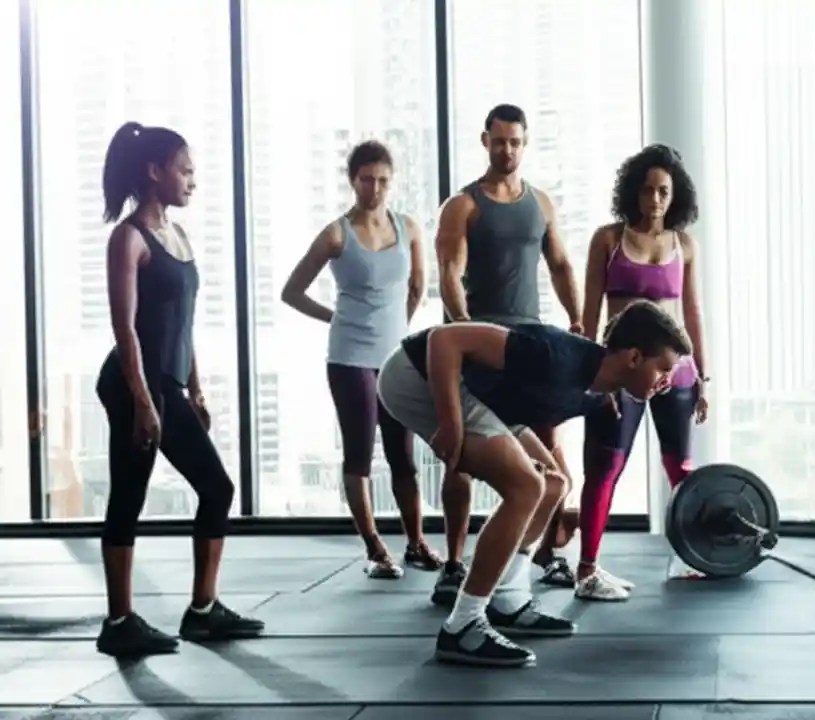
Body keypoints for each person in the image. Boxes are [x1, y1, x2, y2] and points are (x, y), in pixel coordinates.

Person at [376, 300, 691, 667]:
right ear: (635, 357)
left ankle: (507, 599)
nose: (666, 382)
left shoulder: (600, 392)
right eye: (664, 369)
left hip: (483, 399)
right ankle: (462, 625)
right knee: (526, 487)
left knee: (555, 483)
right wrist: (450, 421)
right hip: (417, 372)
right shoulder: (556, 356)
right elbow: (445, 340)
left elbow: (540, 412)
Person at [94, 122, 265, 657]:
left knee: (217, 489)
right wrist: (144, 402)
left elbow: (182, 323)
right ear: (154, 172)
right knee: (129, 495)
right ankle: (119, 621)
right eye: (185, 170)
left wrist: (196, 388)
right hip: (131, 382)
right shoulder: (129, 238)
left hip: (168, 383)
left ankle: (203, 610)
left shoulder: (179, 235)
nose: (193, 181)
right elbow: (127, 330)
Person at [434, 103, 583, 602]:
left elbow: (561, 265)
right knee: (460, 454)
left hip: (529, 340)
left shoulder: (540, 204)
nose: (507, 150)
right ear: (485, 141)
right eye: (499, 141)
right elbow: (450, 273)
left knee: (549, 445)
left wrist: (578, 319)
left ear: (525, 141)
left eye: (516, 141)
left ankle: (542, 554)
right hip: (478, 341)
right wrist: (463, 326)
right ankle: (455, 562)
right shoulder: (463, 205)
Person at [280, 140, 443, 579]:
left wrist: (396, 331)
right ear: (353, 180)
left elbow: (416, 289)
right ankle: (374, 548)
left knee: (404, 456)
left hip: (396, 357)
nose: (375, 188)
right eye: (367, 179)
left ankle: (416, 543)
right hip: (350, 356)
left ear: (393, 182)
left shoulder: (408, 227)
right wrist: (335, 317)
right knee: (359, 454)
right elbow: (291, 291)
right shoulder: (337, 234)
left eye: (383, 180)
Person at [572, 144, 710, 600]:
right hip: (622, 374)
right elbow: (589, 314)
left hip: (677, 374)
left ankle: (690, 555)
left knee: (681, 471)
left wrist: (703, 378)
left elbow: (693, 313)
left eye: (664, 192)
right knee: (604, 469)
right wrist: (592, 377)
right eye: (648, 190)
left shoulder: (684, 245)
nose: (655, 200)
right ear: (634, 192)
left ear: (676, 196)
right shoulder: (608, 240)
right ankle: (587, 569)